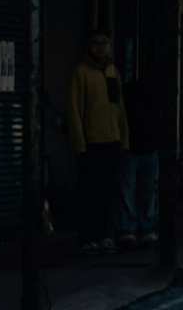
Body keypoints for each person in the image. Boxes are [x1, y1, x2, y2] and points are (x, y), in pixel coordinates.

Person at [67, 32, 129, 255]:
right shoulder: (81, 73)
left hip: (112, 140)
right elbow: (74, 109)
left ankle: (105, 235)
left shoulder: (112, 72)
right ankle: (89, 237)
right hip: (92, 142)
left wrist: (124, 138)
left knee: (109, 192)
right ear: (89, 47)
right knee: (90, 192)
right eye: (97, 43)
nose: (101, 48)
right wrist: (80, 142)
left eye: (105, 43)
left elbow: (119, 107)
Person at [117, 57, 165, 249]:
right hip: (143, 146)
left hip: (135, 146)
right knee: (145, 191)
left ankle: (130, 228)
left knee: (130, 190)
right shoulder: (155, 95)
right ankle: (145, 227)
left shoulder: (128, 93)